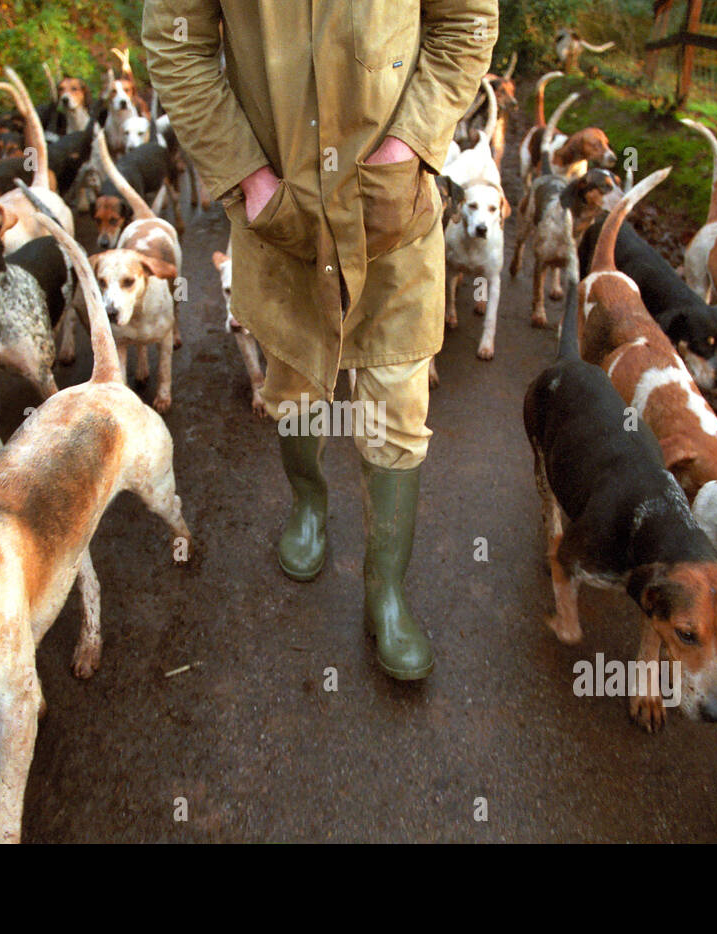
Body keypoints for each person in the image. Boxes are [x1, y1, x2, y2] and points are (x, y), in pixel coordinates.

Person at [144, 1, 498, 680]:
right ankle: (309, 504)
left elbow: (467, 21)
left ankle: (385, 590)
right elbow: (177, 41)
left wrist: (408, 146)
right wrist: (249, 179)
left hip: (393, 208)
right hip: (279, 207)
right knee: (294, 379)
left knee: (399, 405)